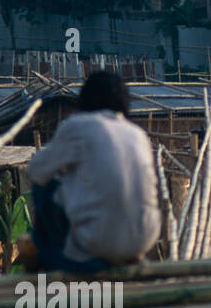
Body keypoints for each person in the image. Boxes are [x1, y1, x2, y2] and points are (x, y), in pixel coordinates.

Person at [24, 71, 161, 272]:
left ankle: (53, 257)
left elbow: (36, 172)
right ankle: (126, 256)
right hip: (144, 241)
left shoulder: (78, 126)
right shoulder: (138, 134)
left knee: (46, 186)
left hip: (97, 243)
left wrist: (65, 173)